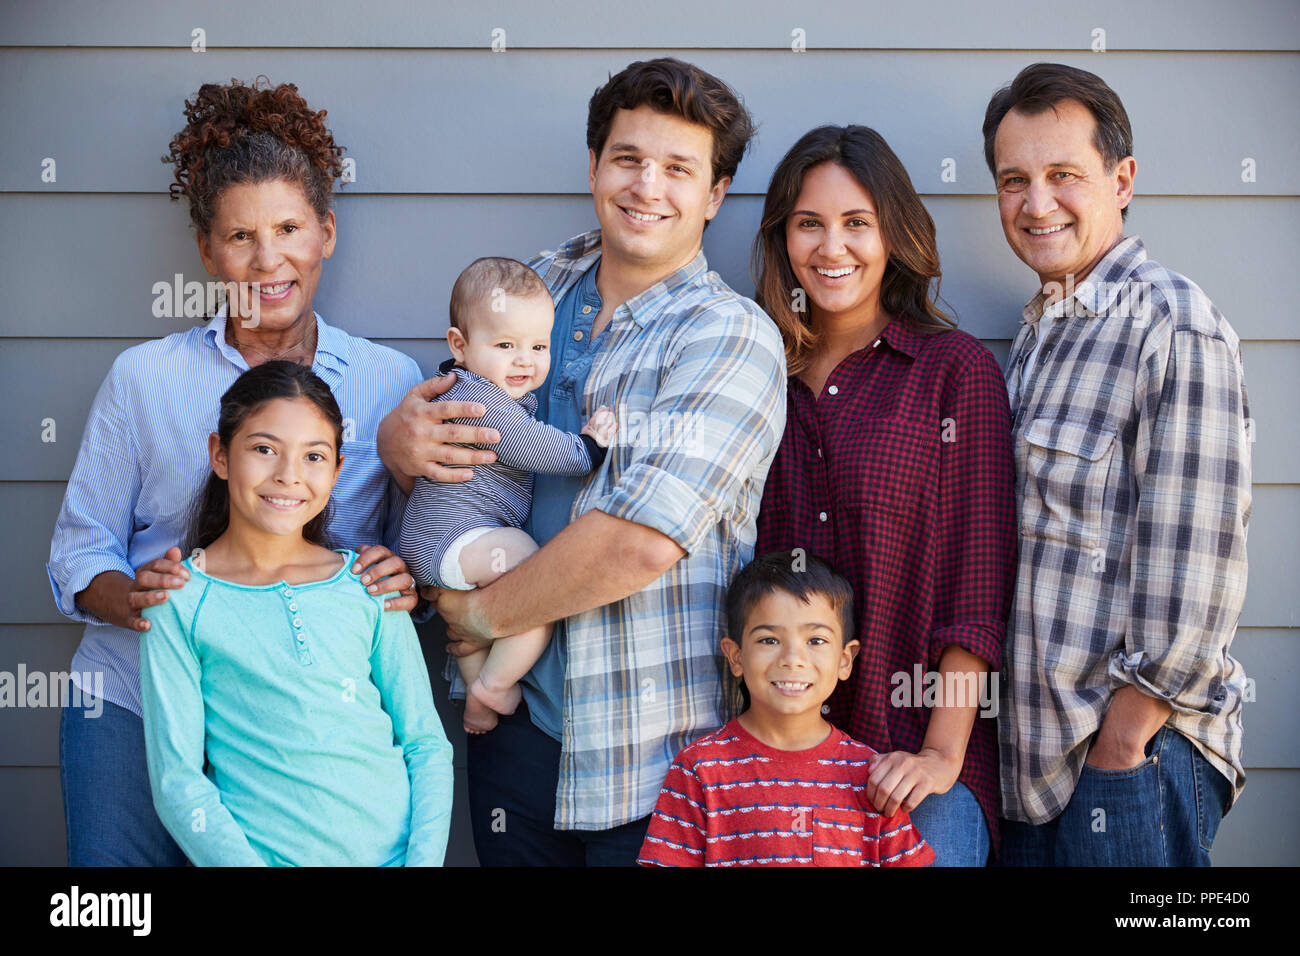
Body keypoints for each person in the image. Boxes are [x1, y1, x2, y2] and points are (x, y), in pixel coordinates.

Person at [47, 77, 495, 866]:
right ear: (206, 250)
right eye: (240, 236)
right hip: (134, 698)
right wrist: (154, 604)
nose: (268, 259)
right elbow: (79, 560)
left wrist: (405, 574)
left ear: (326, 231)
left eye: (289, 227)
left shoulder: (391, 384)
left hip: (294, 725)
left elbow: (423, 554)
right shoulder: (144, 379)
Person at [379, 57, 786, 865]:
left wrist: (481, 618)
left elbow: (639, 543)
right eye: (628, 159)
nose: (647, 186)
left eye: (679, 169)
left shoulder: (729, 337)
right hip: (515, 728)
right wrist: (399, 444)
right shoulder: (530, 289)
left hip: (651, 752)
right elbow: (452, 448)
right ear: (595, 164)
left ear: (715, 194)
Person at [983, 62, 1250, 866]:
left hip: (1130, 758)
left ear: (1121, 178)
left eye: (1064, 175)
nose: (1037, 204)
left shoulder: (1170, 323)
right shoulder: (1039, 334)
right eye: (1013, 180)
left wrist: (1124, 744)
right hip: (1040, 769)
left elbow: (1197, 562)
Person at [751, 125, 1017, 865]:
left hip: (910, 764)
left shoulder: (953, 373)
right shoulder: (751, 370)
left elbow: (977, 580)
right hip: (776, 761)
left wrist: (940, 753)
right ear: (784, 239)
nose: (832, 248)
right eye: (810, 223)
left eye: (857, 223)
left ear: (893, 234)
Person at [140, 362, 452, 866]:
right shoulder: (180, 599)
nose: (288, 475)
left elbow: (425, 744)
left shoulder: (367, 584)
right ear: (220, 455)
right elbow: (178, 784)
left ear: (337, 470)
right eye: (264, 449)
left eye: (313, 456)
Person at [398, 257, 616, 734]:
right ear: (460, 344)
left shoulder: (473, 389)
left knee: (481, 625)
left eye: (539, 346)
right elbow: (534, 446)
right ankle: (495, 685)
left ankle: (478, 697)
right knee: (533, 580)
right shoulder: (482, 402)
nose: (526, 359)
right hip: (455, 536)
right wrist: (589, 449)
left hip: (445, 543)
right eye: (506, 345)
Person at [638, 552, 934, 867]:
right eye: (769, 640)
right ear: (736, 656)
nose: (792, 658)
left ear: (845, 660)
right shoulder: (700, 769)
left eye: (816, 640)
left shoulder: (871, 775)